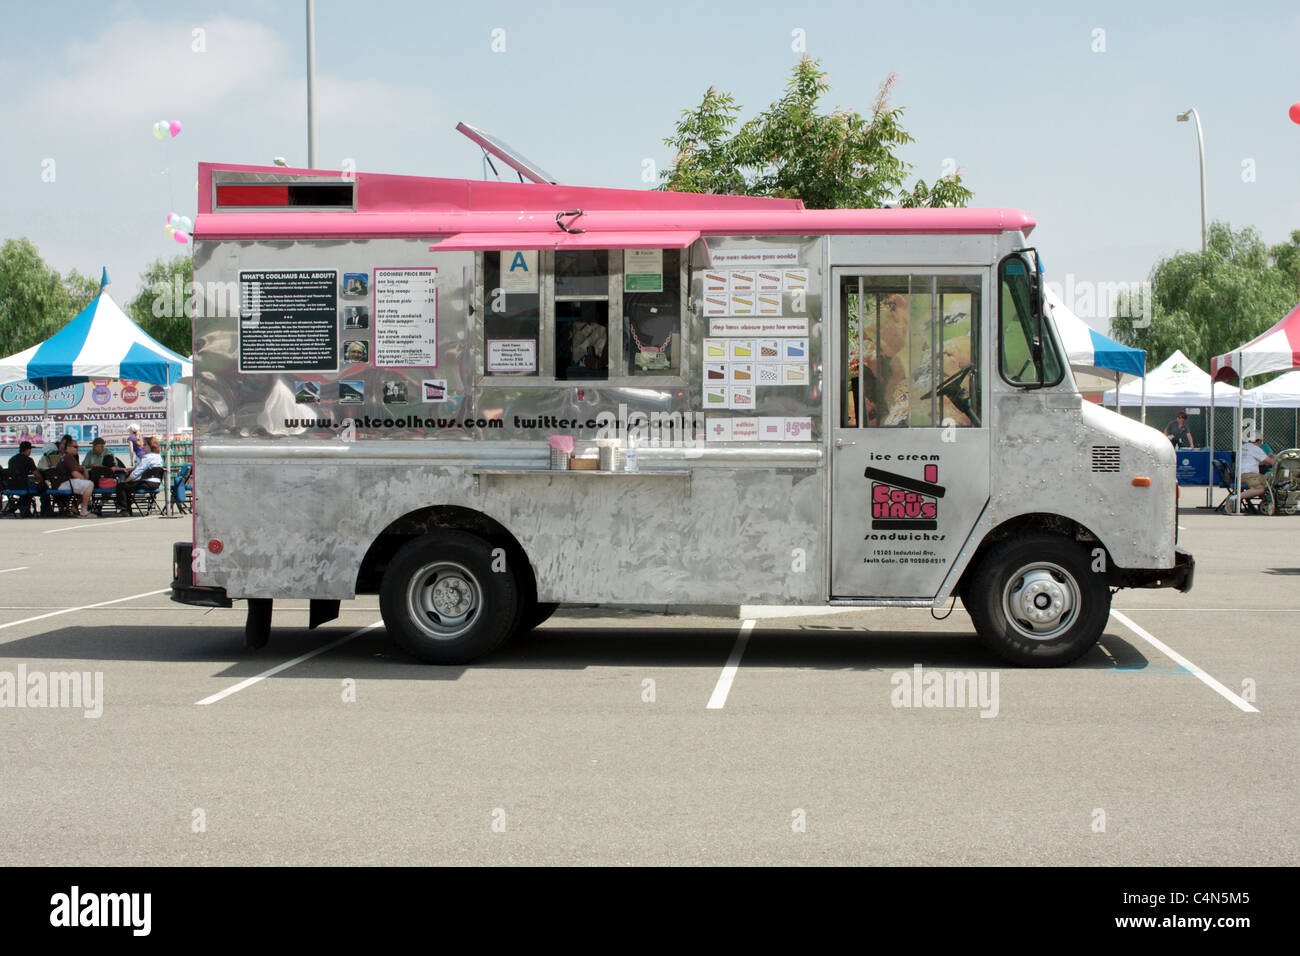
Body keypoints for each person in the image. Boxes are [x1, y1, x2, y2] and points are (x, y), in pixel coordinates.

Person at [116, 435, 164, 515]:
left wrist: (126, 480)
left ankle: (124, 509)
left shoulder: (148, 457)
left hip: (148, 483)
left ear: (150, 446)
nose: (143, 447)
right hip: (155, 483)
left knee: (122, 486)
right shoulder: (158, 456)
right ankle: (127, 509)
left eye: (145, 445)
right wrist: (132, 469)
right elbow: (144, 467)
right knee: (127, 486)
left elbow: (137, 472)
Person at [1229, 436, 1276, 510]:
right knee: (1260, 489)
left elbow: (1255, 460)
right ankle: (1234, 498)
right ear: (1259, 441)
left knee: (1268, 484)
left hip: (1240, 474)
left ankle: (1266, 502)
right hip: (1249, 475)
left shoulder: (1243, 447)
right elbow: (1271, 462)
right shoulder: (1255, 449)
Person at [4, 441, 47, 517]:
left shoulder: (12, 459)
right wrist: (43, 481)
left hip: (11, 486)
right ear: (27, 450)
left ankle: (19, 506)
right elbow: (36, 474)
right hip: (23, 486)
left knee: (28, 489)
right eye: (30, 449)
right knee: (43, 487)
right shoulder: (28, 459)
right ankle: (46, 510)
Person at [56, 437, 94, 516]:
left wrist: (83, 470)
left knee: (84, 487)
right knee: (90, 485)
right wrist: (85, 480)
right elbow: (75, 474)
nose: (77, 449)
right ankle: (84, 511)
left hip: (61, 483)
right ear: (68, 447)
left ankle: (74, 507)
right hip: (65, 484)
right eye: (75, 447)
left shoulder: (64, 456)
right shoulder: (68, 457)